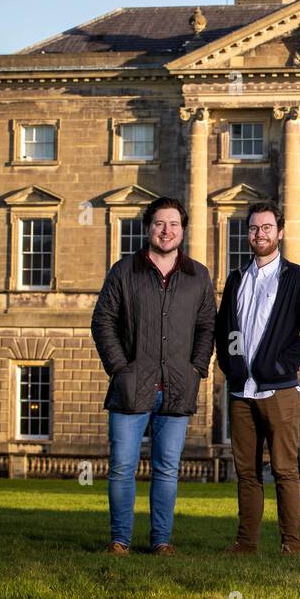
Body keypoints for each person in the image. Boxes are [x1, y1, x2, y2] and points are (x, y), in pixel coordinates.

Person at [91, 196, 215, 555]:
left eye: (173, 224)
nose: (166, 230)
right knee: (122, 468)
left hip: (178, 387)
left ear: (183, 230)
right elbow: (103, 321)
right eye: (160, 223)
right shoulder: (124, 271)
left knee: (167, 470)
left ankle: (161, 541)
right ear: (148, 228)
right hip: (131, 387)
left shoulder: (198, 276)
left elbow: (207, 326)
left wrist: (196, 369)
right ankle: (120, 541)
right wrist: (119, 367)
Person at [215, 201, 300, 554]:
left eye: (266, 228)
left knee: (284, 470)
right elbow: (225, 331)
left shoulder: (295, 278)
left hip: (279, 392)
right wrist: (231, 367)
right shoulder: (236, 279)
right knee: (246, 473)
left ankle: (290, 544)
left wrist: (279, 367)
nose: (259, 234)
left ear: (280, 232)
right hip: (240, 393)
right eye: (253, 228)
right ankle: (246, 543)